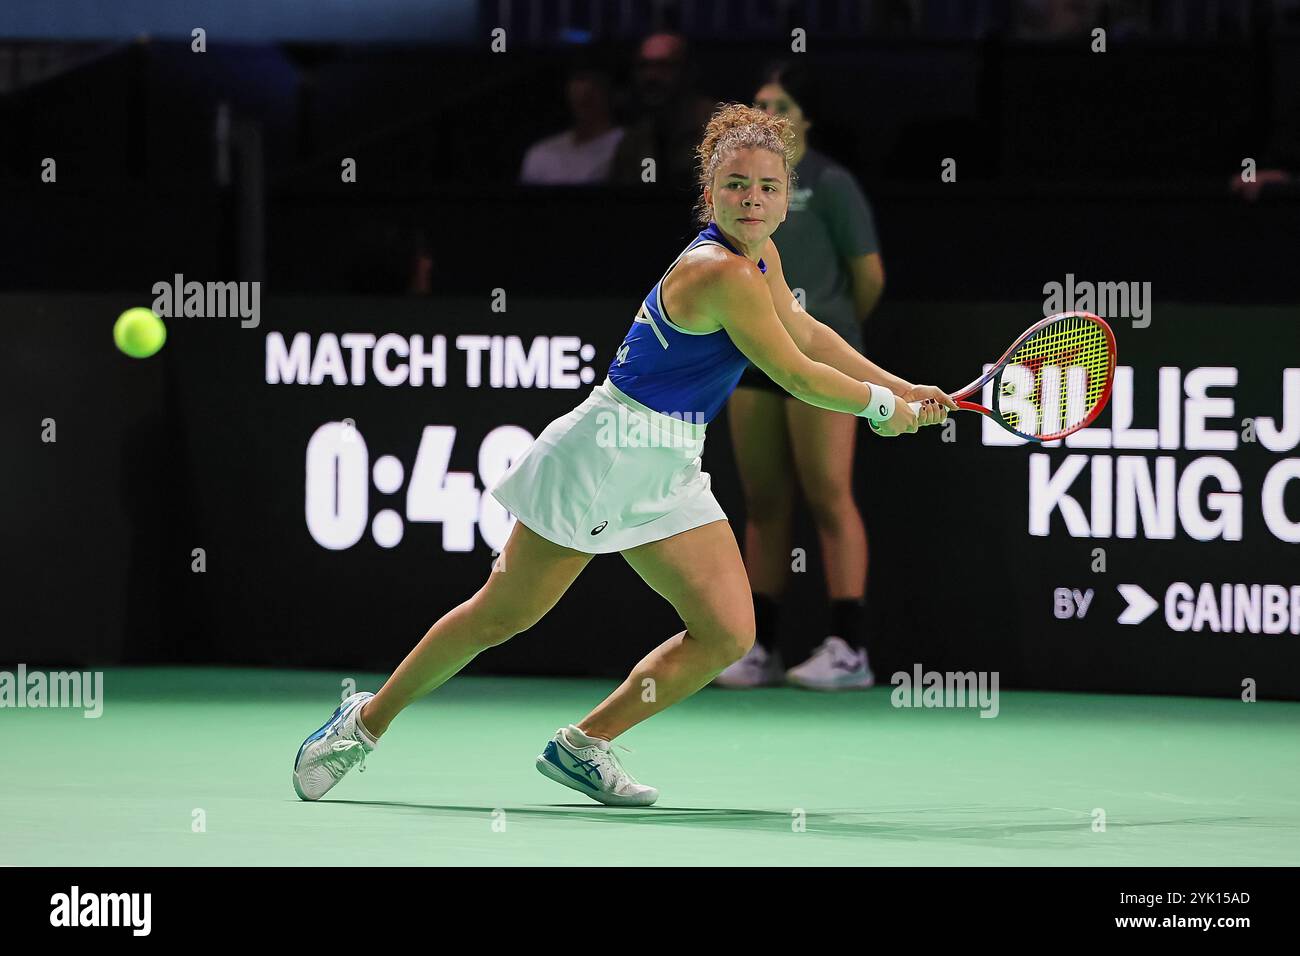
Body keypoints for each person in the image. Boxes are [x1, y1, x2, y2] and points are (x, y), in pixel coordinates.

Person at [292, 104, 955, 808]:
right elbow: (791, 371)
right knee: (500, 615)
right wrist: (881, 411)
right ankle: (361, 724)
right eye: (734, 185)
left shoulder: (760, 257)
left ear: (787, 199)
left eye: (766, 186)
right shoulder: (718, 272)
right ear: (709, 193)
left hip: (670, 461)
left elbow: (806, 330)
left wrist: (896, 384)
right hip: (605, 454)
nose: (751, 199)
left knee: (728, 632)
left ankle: (582, 746)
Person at [718, 63, 887, 691]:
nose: (772, 118)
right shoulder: (747, 194)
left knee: (828, 495)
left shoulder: (830, 183)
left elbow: (868, 278)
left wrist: (835, 340)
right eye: (760, 108)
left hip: (815, 356)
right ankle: (759, 644)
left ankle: (848, 646)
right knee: (764, 502)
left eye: (783, 107)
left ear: (807, 119)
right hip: (755, 358)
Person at [519, 67, 625, 185]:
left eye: (590, 98)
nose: (584, 92)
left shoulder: (629, 147)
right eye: (579, 101)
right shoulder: (540, 153)